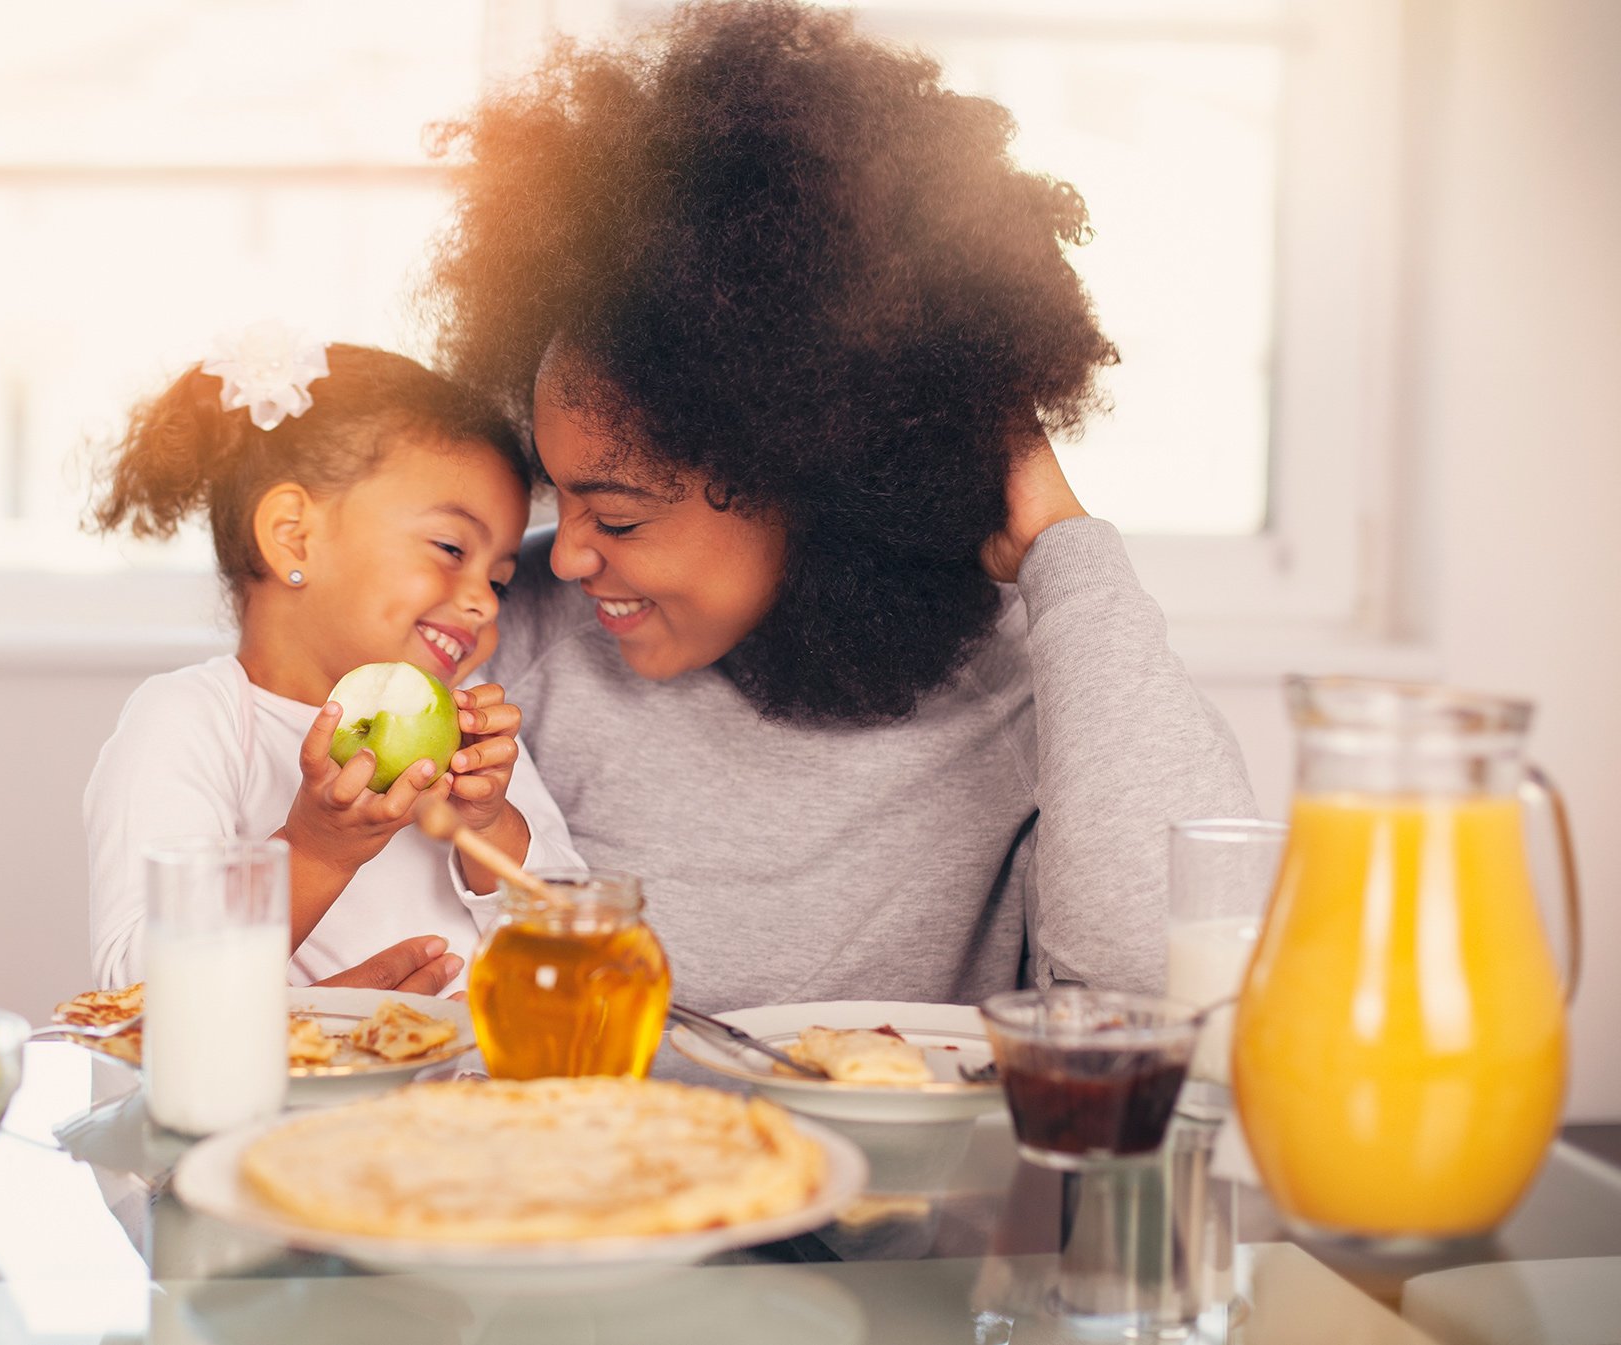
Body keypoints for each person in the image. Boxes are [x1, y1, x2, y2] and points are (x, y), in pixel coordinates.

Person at [424, 1, 1258, 1011]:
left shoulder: (1033, 683)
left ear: (808, 471)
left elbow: (1166, 985)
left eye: (622, 517)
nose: (563, 556)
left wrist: (1061, 541)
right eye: (559, 494)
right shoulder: (499, 641)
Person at [83, 327, 580, 992]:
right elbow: (138, 996)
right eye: (450, 549)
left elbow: (580, 945)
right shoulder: (192, 721)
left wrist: (491, 829)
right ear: (294, 537)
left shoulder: (471, 740)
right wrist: (317, 850)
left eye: (500, 581)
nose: (484, 604)